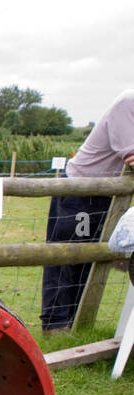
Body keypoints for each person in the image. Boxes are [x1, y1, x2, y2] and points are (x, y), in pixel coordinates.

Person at [41, 89, 134, 333]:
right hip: (81, 194)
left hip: (106, 195)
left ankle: (75, 324)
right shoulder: (129, 102)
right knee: (69, 256)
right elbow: (132, 156)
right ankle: (56, 325)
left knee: (89, 259)